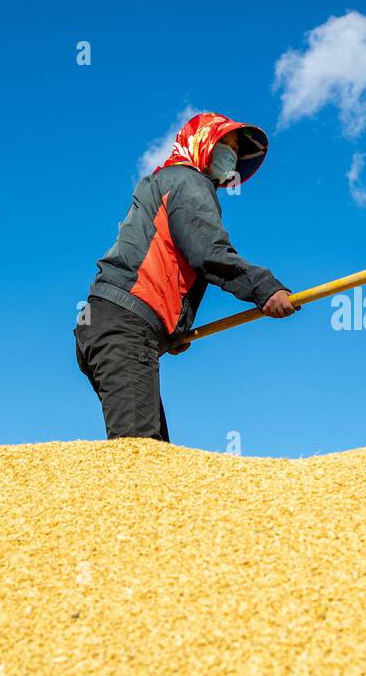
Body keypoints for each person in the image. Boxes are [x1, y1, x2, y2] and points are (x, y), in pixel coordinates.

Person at [75, 112, 296, 441]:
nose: (231, 156)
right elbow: (208, 252)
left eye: (235, 151)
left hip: (115, 324)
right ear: (203, 142)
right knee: (139, 457)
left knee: (155, 453)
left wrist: (170, 330)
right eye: (226, 145)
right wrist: (265, 289)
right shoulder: (188, 181)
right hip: (124, 326)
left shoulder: (166, 182)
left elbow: (162, 261)